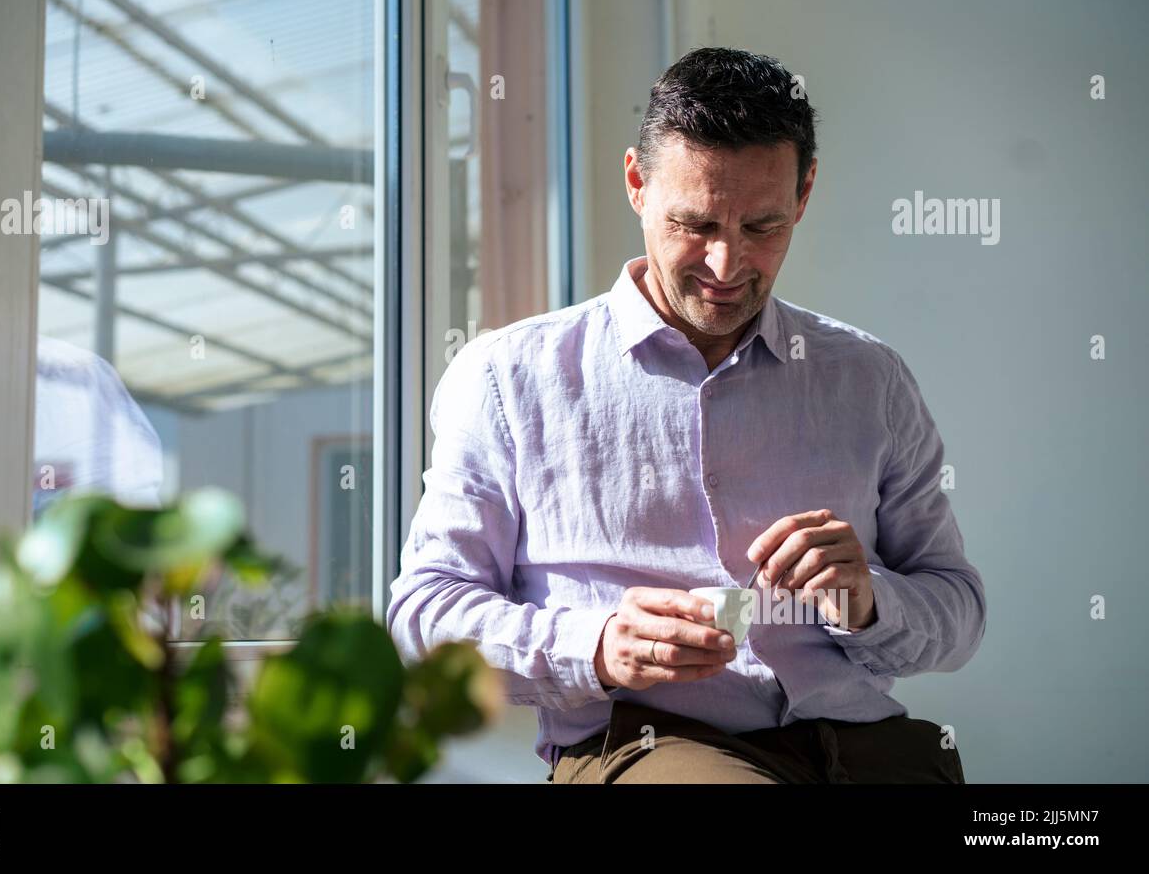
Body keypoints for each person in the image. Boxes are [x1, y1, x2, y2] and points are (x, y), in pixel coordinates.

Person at [387, 47, 985, 783]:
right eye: (695, 223)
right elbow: (424, 616)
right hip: (641, 744)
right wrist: (597, 644)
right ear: (637, 183)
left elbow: (957, 608)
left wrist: (867, 602)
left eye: (763, 226)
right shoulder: (507, 379)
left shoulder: (868, 380)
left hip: (862, 746)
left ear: (804, 195)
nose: (728, 264)